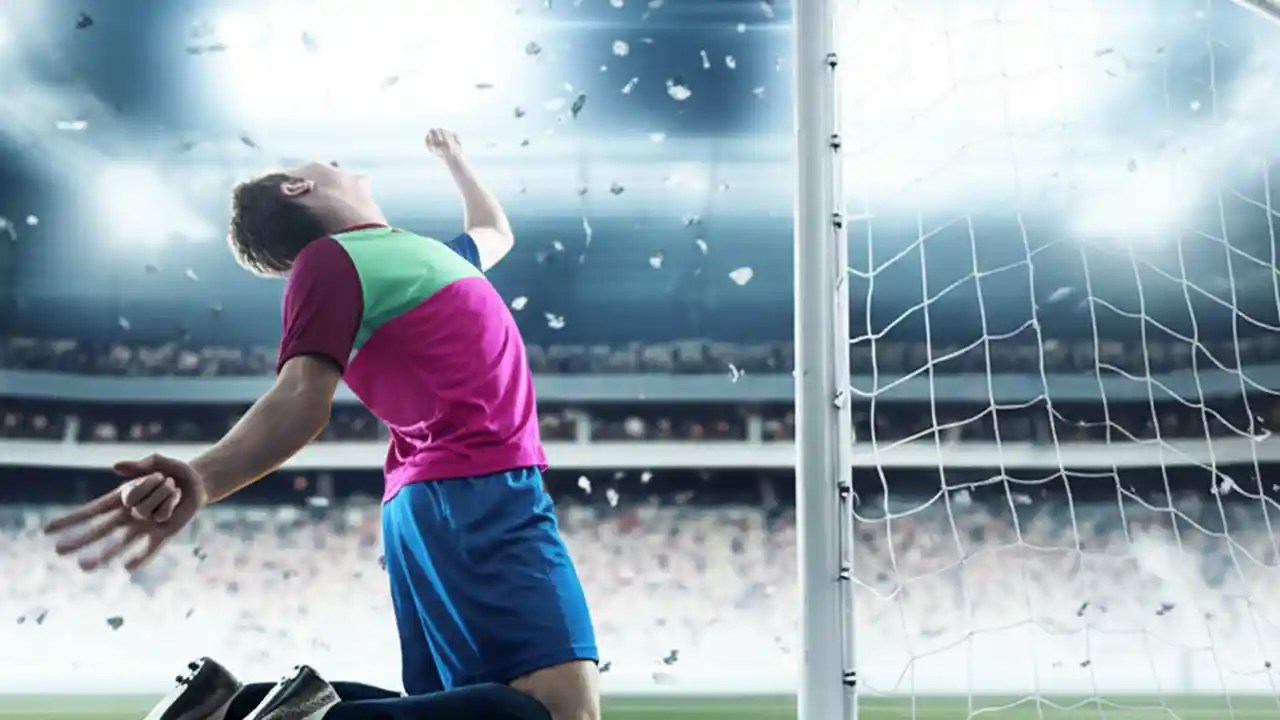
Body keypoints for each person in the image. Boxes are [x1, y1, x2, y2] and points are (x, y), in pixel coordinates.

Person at [44, 130, 600, 720]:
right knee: (563, 710)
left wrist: (456, 161)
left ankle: (224, 708)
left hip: (442, 494)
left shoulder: (421, 257)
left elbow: (495, 231)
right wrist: (203, 478)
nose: (336, 160)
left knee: (462, 704)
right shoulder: (332, 259)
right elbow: (301, 395)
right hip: (474, 487)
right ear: (297, 187)